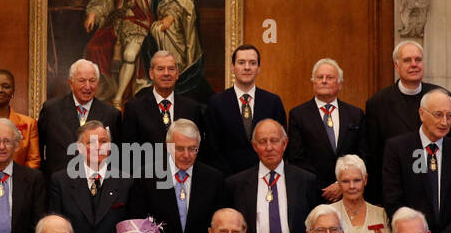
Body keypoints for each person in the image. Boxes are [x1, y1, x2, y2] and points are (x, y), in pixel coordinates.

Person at [360, 40, 451, 204]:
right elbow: (374, 155)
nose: (414, 64)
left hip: (438, 187)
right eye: (407, 60)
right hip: (399, 190)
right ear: (397, 66)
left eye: (418, 60)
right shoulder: (378, 103)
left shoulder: (442, 96)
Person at [382, 89, 451, 233]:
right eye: (438, 115)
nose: (444, 122)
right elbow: (393, 200)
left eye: (449, 116)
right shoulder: (399, 149)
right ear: (422, 114)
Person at [126, 119, 225, 233]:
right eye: (180, 149)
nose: (186, 155)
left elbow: (220, 229)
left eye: (192, 149)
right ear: (168, 146)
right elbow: (137, 229)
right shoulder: (146, 178)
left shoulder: (214, 179)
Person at [47, 121, 132, 233]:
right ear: (79, 148)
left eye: (103, 141)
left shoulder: (126, 182)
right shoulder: (60, 181)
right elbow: (55, 230)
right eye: (91, 142)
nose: (98, 147)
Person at [226, 119, 319, 233]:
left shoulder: (305, 181)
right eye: (263, 142)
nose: (269, 147)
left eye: (274, 140)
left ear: (285, 143)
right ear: (254, 146)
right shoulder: (236, 185)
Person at [202, 44, 287, 176]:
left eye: (252, 63)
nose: (247, 67)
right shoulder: (216, 102)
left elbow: (281, 143)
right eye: (241, 62)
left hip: (265, 177)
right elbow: (212, 147)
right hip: (227, 181)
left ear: (258, 68)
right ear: (233, 67)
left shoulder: (273, 102)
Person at [286, 58, 365, 200]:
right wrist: (323, 188)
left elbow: (362, 153)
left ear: (340, 84)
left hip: (349, 192)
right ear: (313, 82)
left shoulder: (355, 114)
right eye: (319, 77)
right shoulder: (298, 114)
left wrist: (341, 184)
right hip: (312, 194)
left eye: (330, 77)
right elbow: (296, 158)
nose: (324, 81)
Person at [38, 59, 121, 177]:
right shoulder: (51, 110)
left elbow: (116, 155)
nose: (87, 86)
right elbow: (39, 149)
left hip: (96, 183)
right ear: (71, 83)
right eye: (82, 81)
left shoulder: (111, 114)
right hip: (59, 184)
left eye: (92, 81)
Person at [118, 50, 205, 153]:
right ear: (151, 74)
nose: (166, 73)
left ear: (177, 74)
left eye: (171, 69)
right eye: (160, 69)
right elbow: (128, 152)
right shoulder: (134, 108)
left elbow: (199, 149)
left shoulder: (192, 108)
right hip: (147, 168)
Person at [330, 155, 394, 233]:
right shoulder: (328, 214)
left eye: (357, 180)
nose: (352, 186)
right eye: (345, 181)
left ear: (365, 180)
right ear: (339, 184)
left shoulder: (382, 214)